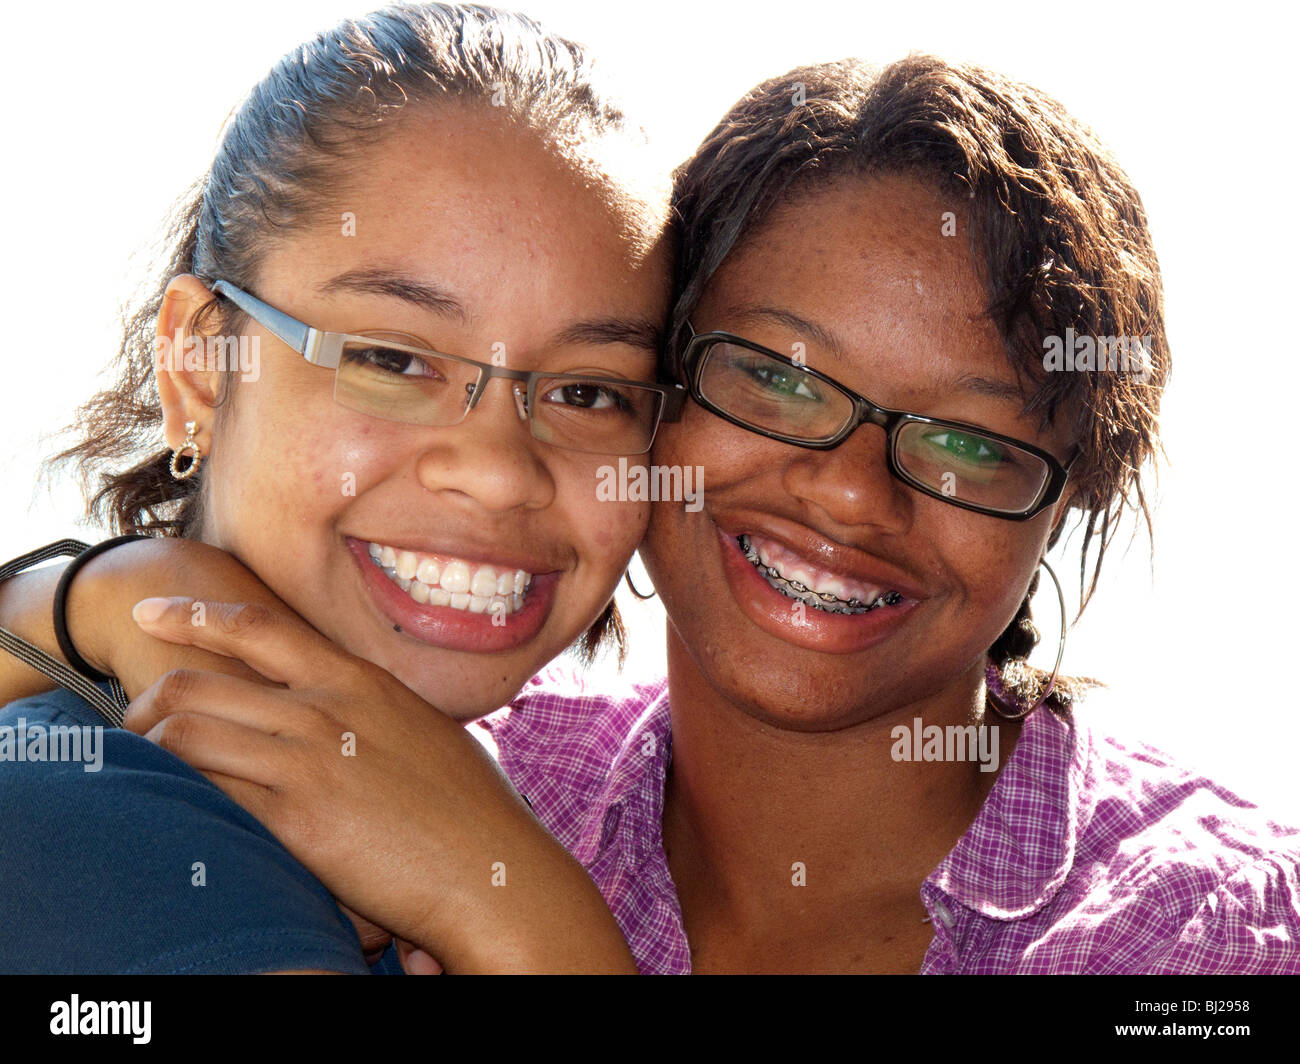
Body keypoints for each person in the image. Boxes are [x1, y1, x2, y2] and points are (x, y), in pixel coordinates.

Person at [8, 50, 1300, 973]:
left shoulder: (1206, 932)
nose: (851, 489)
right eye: (777, 378)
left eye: (970, 441)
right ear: (667, 407)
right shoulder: (409, 768)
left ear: (1061, 506)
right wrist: (99, 595)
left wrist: (515, 910)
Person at [0, 1, 681, 974]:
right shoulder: (90, 813)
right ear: (201, 366)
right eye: (392, 360)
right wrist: (513, 907)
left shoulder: (548, 797)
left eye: (587, 392)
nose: (497, 471)